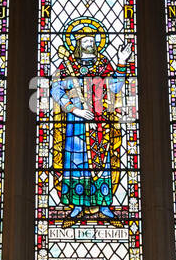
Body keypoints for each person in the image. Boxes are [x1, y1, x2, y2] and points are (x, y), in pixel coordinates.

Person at [50, 17, 131, 221]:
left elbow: (114, 87)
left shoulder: (103, 64)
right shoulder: (67, 65)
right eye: (86, 41)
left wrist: (122, 62)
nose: (90, 44)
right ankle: (77, 205)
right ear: (78, 44)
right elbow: (56, 89)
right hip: (77, 123)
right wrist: (74, 110)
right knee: (77, 161)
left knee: (102, 161)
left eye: (93, 41)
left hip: (100, 119)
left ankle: (103, 204)